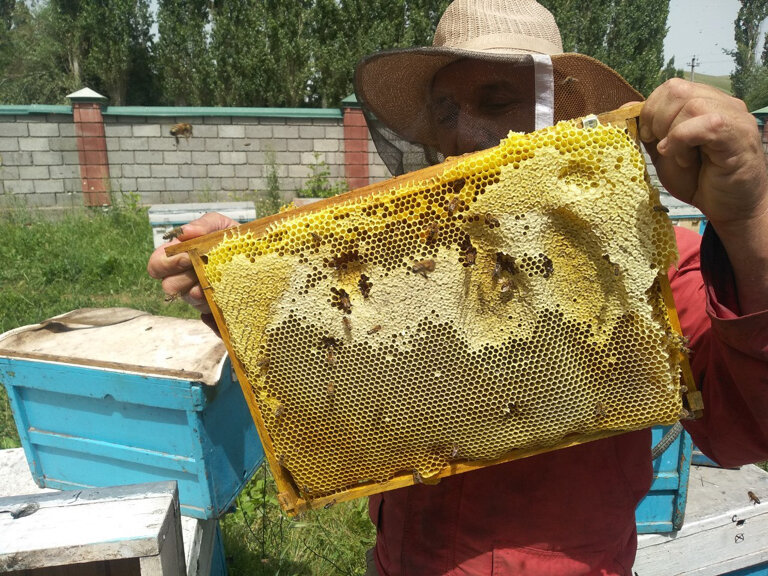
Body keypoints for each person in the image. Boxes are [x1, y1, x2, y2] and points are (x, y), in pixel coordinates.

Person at [148, 1, 768, 574]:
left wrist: (748, 221)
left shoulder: (642, 259)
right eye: (448, 112)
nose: (467, 133)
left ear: (563, 108)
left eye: (496, 102)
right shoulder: (387, 260)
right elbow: (327, 382)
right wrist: (238, 291)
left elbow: (746, 429)